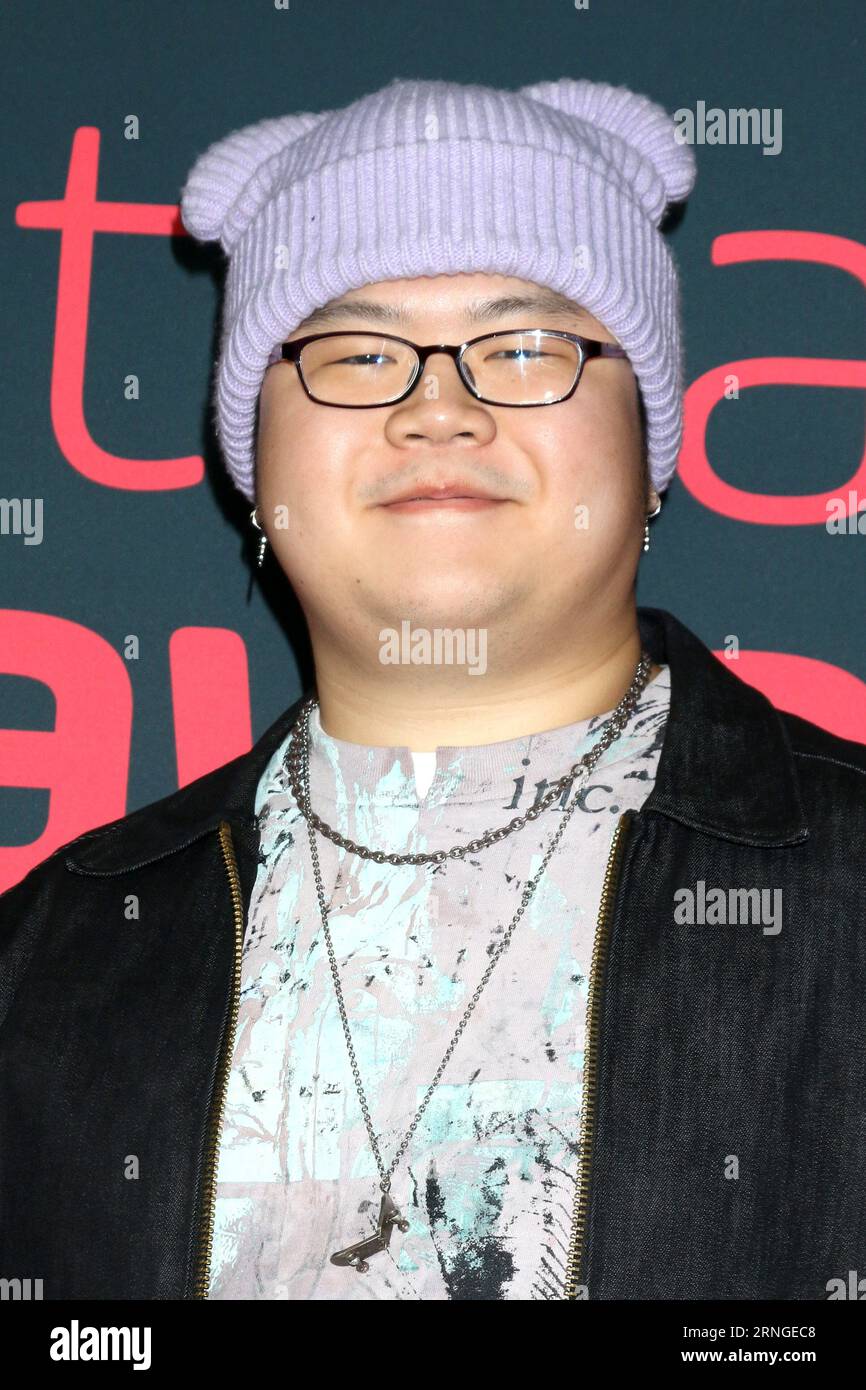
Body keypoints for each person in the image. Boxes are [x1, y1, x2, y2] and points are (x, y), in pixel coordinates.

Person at [1, 76, 864, 1302]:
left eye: (524, 346)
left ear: (648, 443)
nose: (437, 408)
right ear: (252, 463)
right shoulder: (46, 962)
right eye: (354, 353)